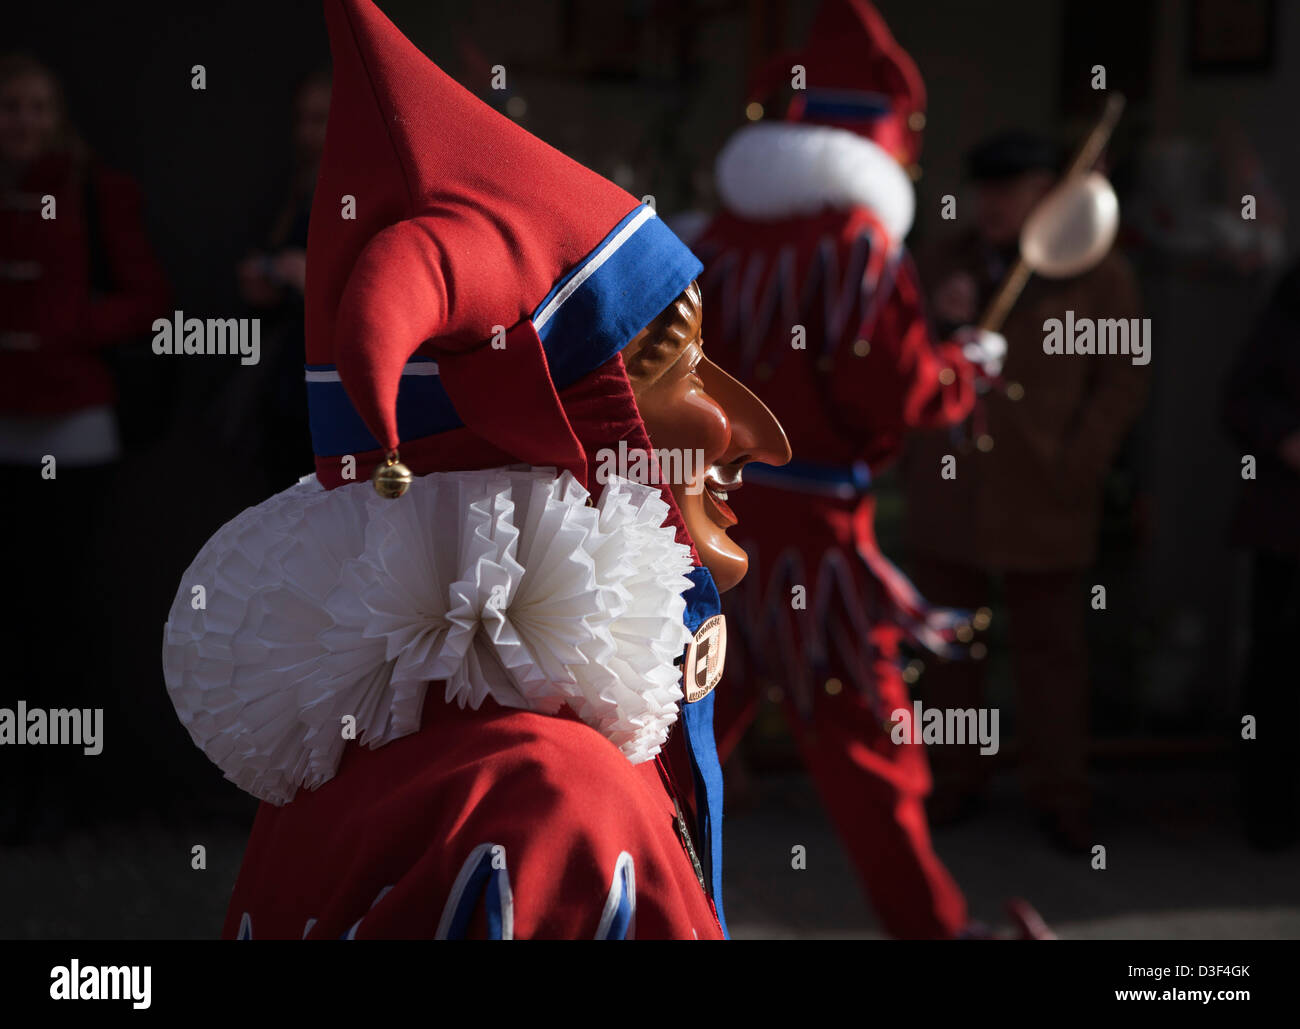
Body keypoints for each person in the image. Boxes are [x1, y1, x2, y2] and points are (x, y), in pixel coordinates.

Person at [162, 0, 788, 939]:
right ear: (551, 442)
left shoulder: (362, 753)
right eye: (683, 367)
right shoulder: (550, 800)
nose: (757, 431)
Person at [691, 0, 1037, 939]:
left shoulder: (715, 241)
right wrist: (966, 364)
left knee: (691, 747)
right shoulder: (859, 247)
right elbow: (894, 397)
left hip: (713, 536)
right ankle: (929, 927)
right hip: (819, 557)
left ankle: (640, 911)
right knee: (872, 754)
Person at [902, 130, 1149, 852]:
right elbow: (897, 358)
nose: (995, 205)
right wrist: (943, 323)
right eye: (987, 190)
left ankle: (1060, 792)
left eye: (1014, 190)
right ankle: (953, 779)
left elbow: (1124, 379)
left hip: (1046, 491)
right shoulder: (944, 260)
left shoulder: (1099, 276)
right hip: (952, 488)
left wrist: (1081, 461)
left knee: (1051, 655)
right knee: (951, 645)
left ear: (1053, 195)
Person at [0, 53, 169, 841]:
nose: (24, 121)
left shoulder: (97, 191)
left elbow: (147, 296)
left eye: (38, 106)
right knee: (13, 617)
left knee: (70, 614)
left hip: (73, 431)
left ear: (58, 114)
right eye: (10, 106)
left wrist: (71, 330)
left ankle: (64, 792)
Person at [1222, 259, 1300, 852]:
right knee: (1278, 669)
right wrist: (1287, 439)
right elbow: (1242, 396)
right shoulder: (1293, 293)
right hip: (1289, 526)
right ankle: (1270, 810)